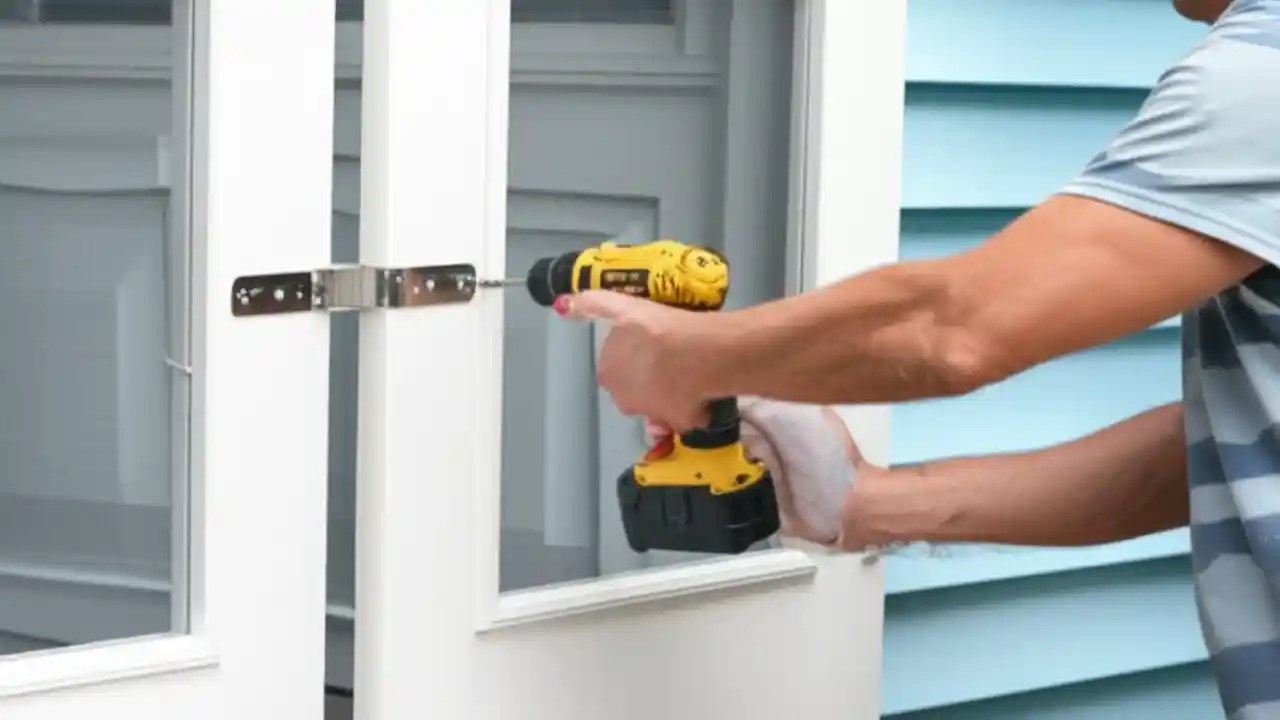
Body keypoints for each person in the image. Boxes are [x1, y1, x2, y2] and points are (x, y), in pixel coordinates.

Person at [554, 0, 1280, 716]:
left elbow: (957, 328)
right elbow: (1229, 444)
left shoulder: (1257, 75)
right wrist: (863, 502)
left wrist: (686, 359)